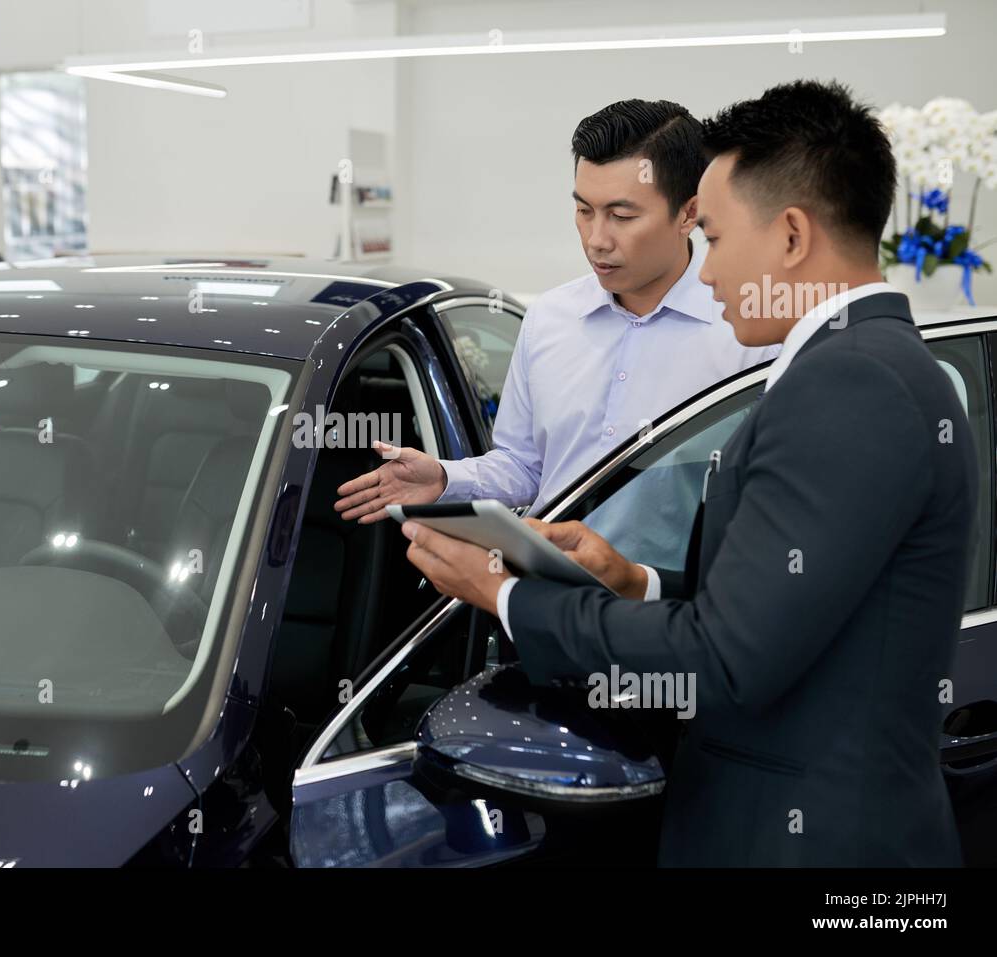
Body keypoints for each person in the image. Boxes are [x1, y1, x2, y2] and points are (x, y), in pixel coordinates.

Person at [399, 80, 978, 866]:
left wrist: (505, 592)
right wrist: (634, 579)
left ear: (791, 237)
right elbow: (774, 609)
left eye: (712, 236)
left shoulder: (850, 384)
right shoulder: (865, 367)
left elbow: (726, 660)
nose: (706, 274)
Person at [334, 99, 776, 537]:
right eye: (584, 211)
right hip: (541, 585)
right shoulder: (550, 319)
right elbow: (524, 466)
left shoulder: (749, 334)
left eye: (621, 216)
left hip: (665, 600)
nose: (596, 240)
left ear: (689, 213)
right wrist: (448, 480)